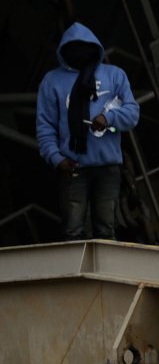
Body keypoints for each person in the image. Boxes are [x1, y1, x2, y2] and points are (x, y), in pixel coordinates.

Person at [36, 22, 140, 241]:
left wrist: (108, 118)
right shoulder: (52, 81)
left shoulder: (115, 75)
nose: (80, 52)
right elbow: (45, 126)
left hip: (108, 167)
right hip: (72, 168)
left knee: (106, 228)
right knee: (72, 230)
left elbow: (132, 113)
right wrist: (57, 159)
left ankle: (103, 273)